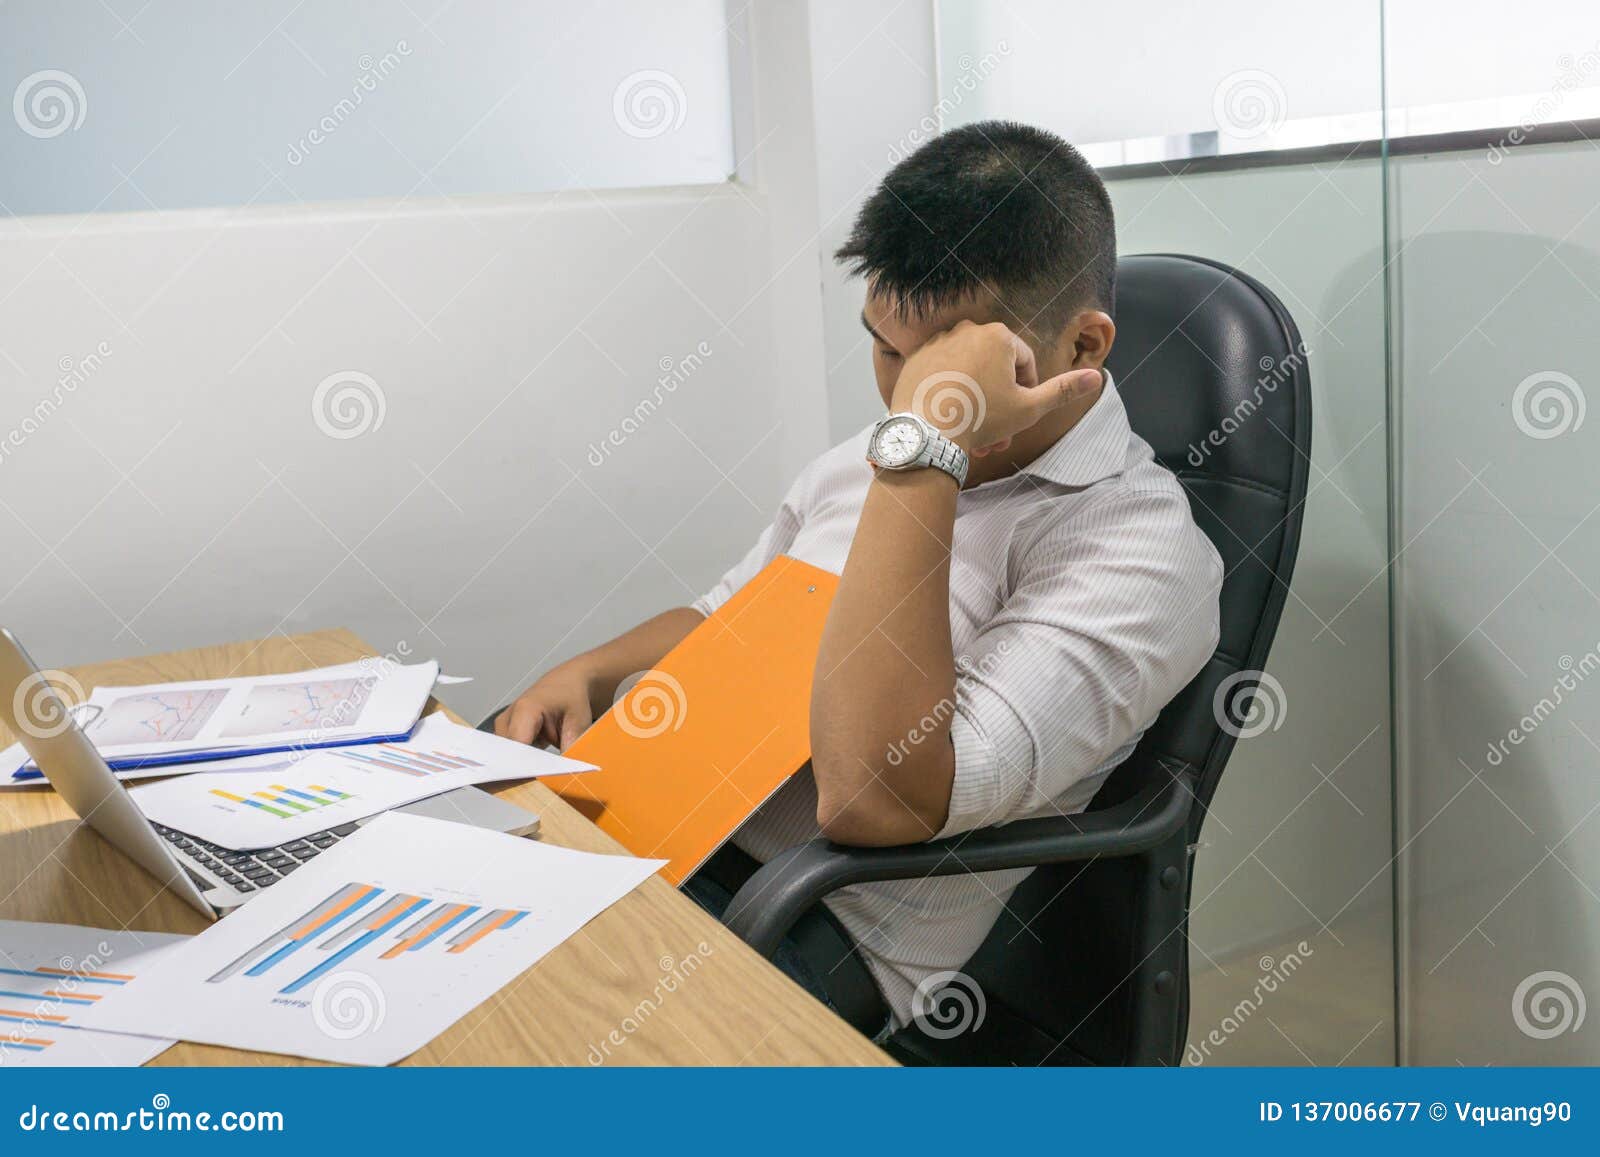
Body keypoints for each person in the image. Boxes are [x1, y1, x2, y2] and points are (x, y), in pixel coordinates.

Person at [493, 121, 1223, 1038]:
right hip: (664, 828)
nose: (900, 396)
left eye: (944, 371)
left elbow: (876, 799)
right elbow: (730, 615)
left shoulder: (1140, 552)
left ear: (1082, 348)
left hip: (811, 920)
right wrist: (595, 670)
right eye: (887, 351)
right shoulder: (869, 460)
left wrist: (929, 449)